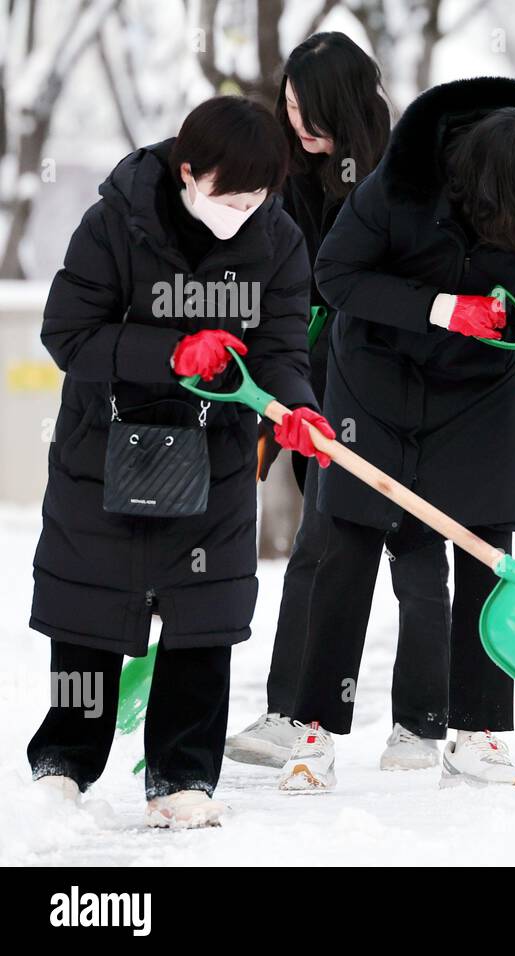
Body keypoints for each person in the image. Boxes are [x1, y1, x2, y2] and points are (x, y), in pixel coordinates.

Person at [274, 77, 515, 791]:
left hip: (477, 398)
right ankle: (313, 727)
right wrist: (441, 307)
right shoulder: (401, 187)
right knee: (346, 548)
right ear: (475, 185)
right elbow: (336, 274)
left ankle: (478, 733)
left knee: (485, 547)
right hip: (373, 384)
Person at [27, 96, 326, 827]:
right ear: (188, 171)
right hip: (104, 446)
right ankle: (64, 761)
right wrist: (170, 352)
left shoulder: (278, 242)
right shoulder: (114, 223)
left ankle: (182, 777)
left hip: (216, 454)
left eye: (257, 198)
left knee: (204, 616)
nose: (242, 211)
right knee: (89, 606)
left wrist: (295, 406)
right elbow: (67, 334)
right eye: (229, 195)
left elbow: (283, 348)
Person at [224, 32, 437, 773]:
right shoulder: (282, 175)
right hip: (310, 392)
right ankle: (293, 712)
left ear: (348, 106)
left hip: (399, 389)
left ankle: (423, 723)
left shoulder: (402, 176)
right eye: (287, 107)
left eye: (311, 111)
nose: (299, 124)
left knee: (415, 551)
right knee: (320, 547)